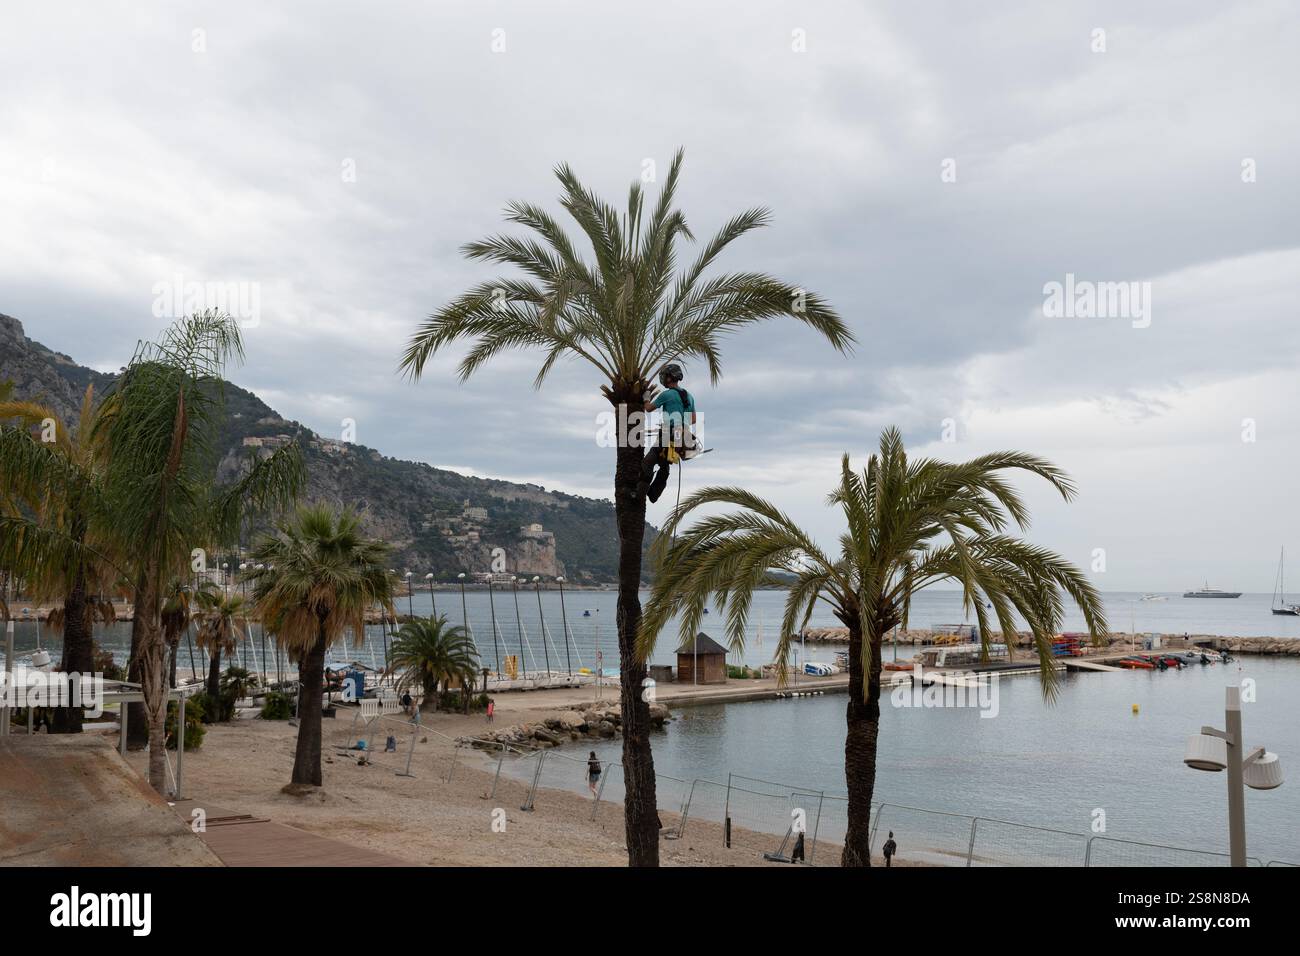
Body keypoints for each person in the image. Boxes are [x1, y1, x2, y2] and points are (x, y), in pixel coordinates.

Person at [639, 363, 697, 503]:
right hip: (681, 438)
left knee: (648, 462)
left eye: (664, 376)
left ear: (670, 378)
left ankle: (639, 493)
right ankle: (654, 495)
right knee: (664, 465)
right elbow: (693, 419)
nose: (663, 379)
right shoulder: (689, 396)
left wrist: (646, 397)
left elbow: (648, 408)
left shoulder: (667, 394)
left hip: (668, 434)